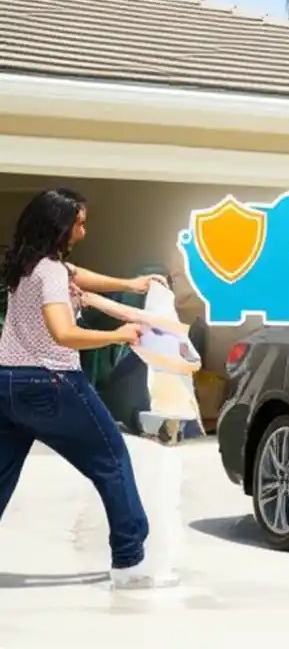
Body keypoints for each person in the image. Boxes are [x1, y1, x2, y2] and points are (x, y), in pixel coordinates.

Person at [0, 188, 167, 589]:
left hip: (6, 384)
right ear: (59, 225)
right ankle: (130, 560)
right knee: (112, 462)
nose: (84, 229)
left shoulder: (25, 265)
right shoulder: (51, 273)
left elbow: (80, 276)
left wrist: (133, 283)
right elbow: (63, 333)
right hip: (53, 383)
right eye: (79, 222)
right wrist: (119, 336)